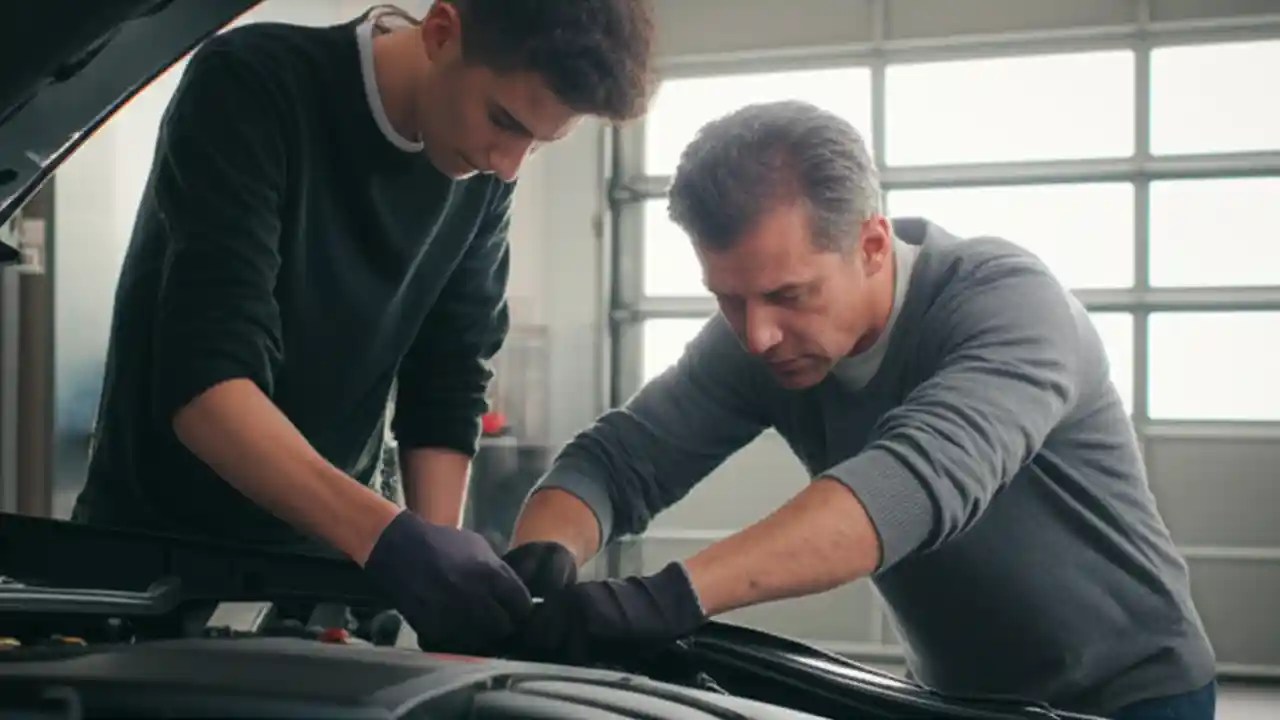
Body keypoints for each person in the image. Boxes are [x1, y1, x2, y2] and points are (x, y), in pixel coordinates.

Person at [501, 100, 1218, 719]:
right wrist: (541, 560)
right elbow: (620, 460)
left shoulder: (1009, 304)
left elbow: (905, 488)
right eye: (727, 296)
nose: (756, 334)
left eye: (788, 294)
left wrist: (671, 599)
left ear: (872, 244)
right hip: (949, 697)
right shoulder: (759, 340)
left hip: (1127, 696)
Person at [71, 0, 656, 655]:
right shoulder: (254, 84)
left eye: (538, 144)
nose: (509, 163)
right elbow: (206, 388)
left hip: (332, 566)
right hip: (155, 566)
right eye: (505, 122)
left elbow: (449, 377)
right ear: (440, 33)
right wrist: (391, 540)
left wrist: (447, 594)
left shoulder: (483, 168)